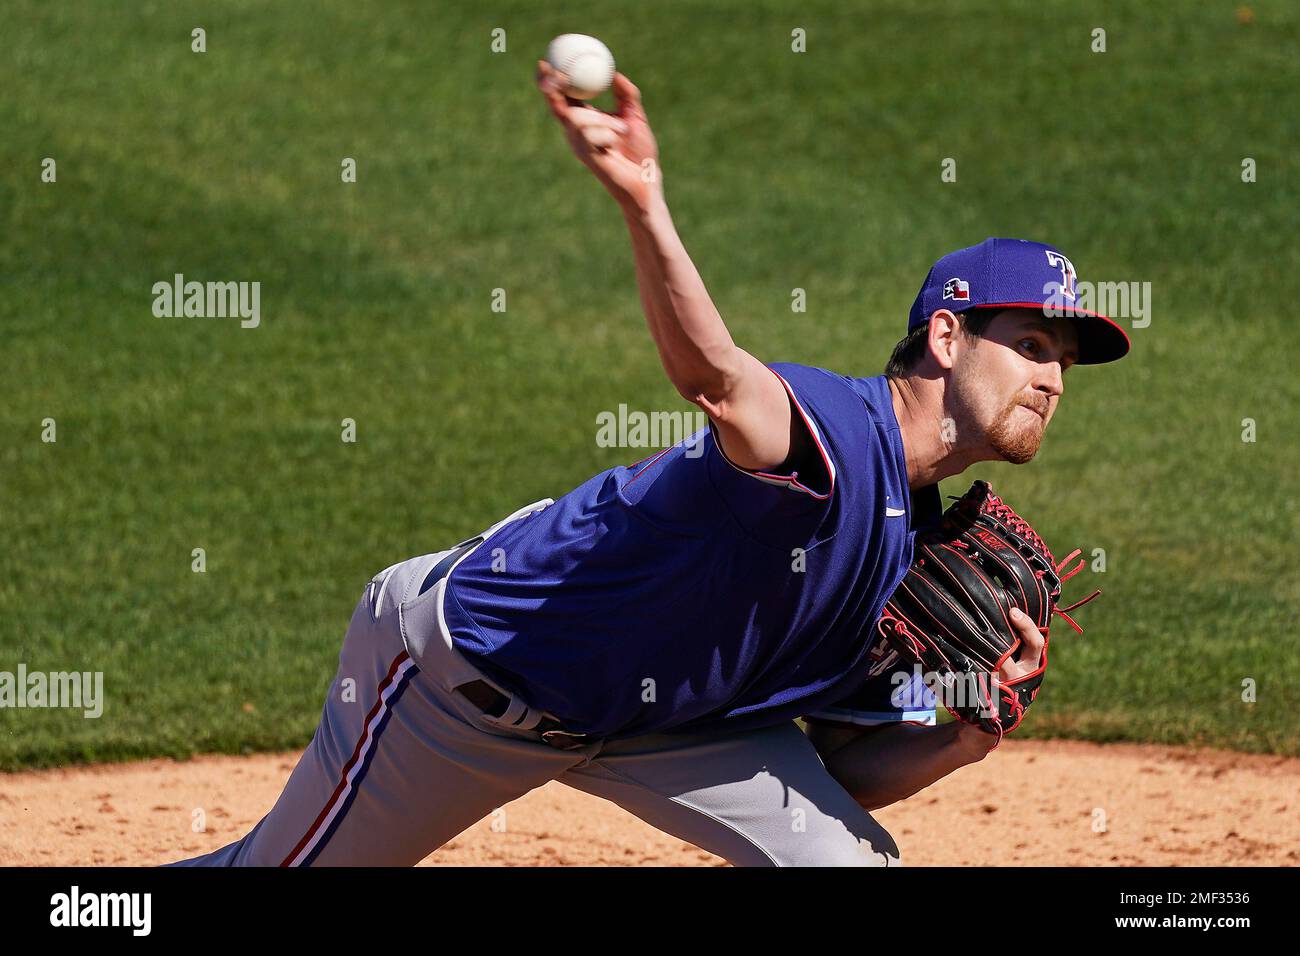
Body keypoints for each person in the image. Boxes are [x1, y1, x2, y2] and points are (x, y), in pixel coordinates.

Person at [169, 64, 1128, 867]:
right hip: (482, 684)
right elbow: (716, 379)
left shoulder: (911, 544)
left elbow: (834, 769)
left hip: (668, 723)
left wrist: (967, 721)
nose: (1052, 376)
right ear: (949, 336)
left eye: (1064, 362)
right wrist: (646, 205)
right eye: (1032, 344)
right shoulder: (835, 433)